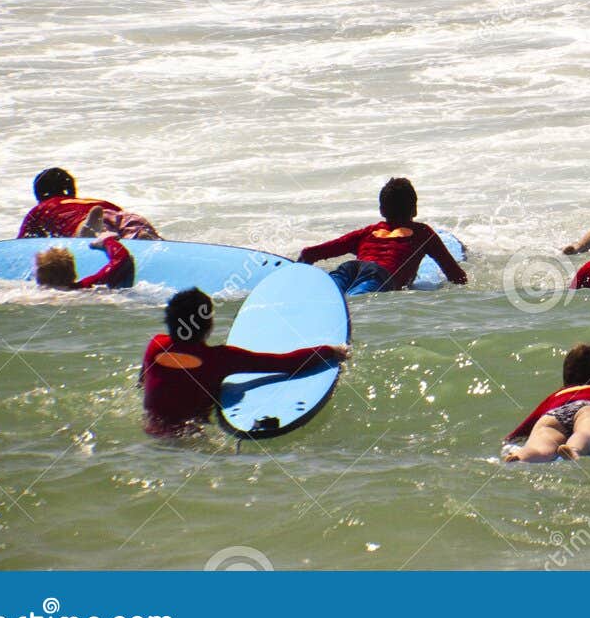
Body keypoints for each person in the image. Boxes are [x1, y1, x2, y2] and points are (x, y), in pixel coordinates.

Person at [139, 288, 349, 436]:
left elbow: (142, 381)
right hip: (190, 437)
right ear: (209, 325)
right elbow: (285, 364)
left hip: (150, 428)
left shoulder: (156, 345)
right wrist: (330, 350)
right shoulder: (220, 358)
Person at [298, 178, 466, 295]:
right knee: (356, 302)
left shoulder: (367, 232)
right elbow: (456, 275)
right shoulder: (423, 233)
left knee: (326, 294)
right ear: (414, 210)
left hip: (350, 268)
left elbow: (310, 253)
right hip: (379, 276)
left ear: (382, 211)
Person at [18, 167, 161, 241]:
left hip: (87, 221)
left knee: (89, 230)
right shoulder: (92, 201)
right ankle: (140, 235)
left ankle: (89, 233)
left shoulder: (42, 208)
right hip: (122, 215)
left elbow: (21, 245)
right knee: (131, 228)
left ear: (40, 194)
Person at [34, 234, 134, 290]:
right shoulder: (83, 287)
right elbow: (121, 258)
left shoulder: (32, 294)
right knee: (128, 262)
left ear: (39, 275)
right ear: (72, 273)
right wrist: (108, 241)